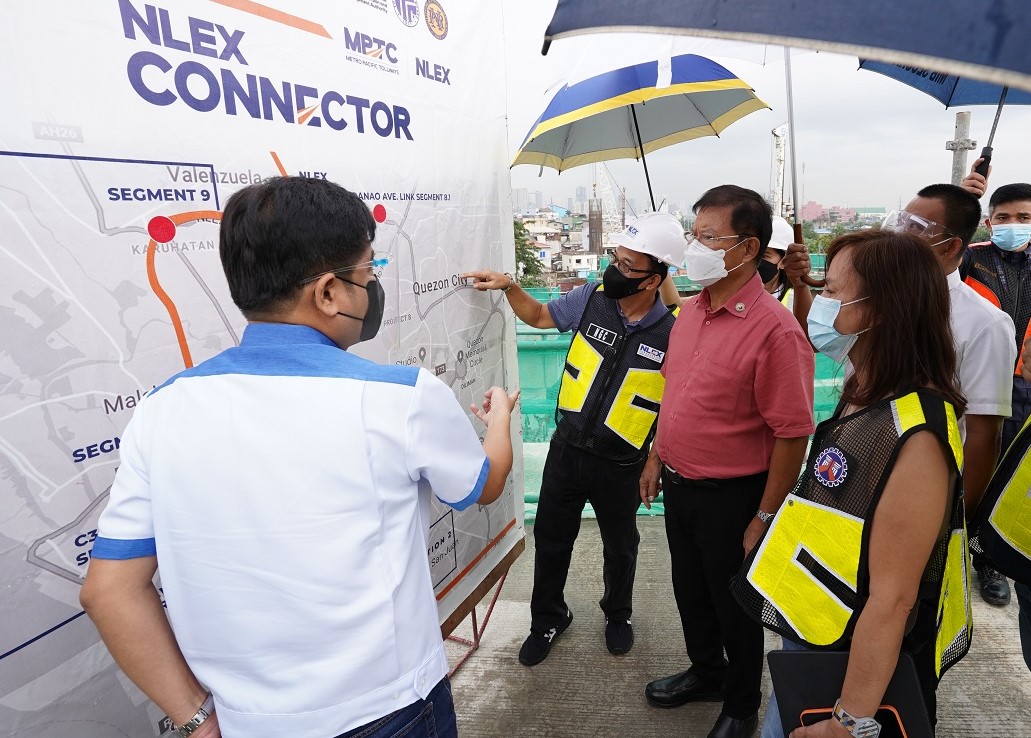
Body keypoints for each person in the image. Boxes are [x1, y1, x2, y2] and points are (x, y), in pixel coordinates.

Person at [80, 177, 518, 738]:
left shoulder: (161, 410)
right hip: (389, 712)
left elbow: (109, 590)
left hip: (246, 723)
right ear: (329, 293)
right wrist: (499, 418)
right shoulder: (399, 398)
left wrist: (197, 720)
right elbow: (485, 482)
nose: (373, 288)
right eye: (369, 273)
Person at [734, 230, 971, 738]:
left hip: (851, 665)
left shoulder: (918, 433)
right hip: (820, 628)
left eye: (832, 291)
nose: (820, 304)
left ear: (880, 309)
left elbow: (893, 600)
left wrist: (848, 721)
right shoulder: (865, 388)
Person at [463, 212, 684, 666]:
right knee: (551, 539)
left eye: (628, 266)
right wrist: (510, 287)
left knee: (621, 546)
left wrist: (655, 459)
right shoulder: (591, 298)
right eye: (615, 259)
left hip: (622, 464)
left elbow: (677, 404)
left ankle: (617, 614)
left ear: (654, 279)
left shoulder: (676, 332)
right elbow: (540, 315)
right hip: (567, 451)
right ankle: (547, 618)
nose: (614, 270)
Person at [640, 186, 815, 738]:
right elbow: (673, 392)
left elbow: (793, 434)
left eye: (710, 238)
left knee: (734, 604)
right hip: (680, 484)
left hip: (735, 496)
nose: (696, 248)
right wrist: (655, 457)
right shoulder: (691, 311)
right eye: (695, 235)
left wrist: (763, 516)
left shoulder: (776, 330)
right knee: (690, 592)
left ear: (749, 248)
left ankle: (741, 704)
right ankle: (707, 672)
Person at [960, 166, 1031, 608]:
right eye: (1002, 217)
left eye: (1023, 217)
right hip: (978, 380)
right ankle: (979, 553)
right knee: (977, 465)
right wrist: (962, 201)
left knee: (1016, 475)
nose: (1012, 225)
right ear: (988, 221)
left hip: (1026, 387)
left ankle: (1002, 554)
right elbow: (928, 257)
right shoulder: (972, 256)